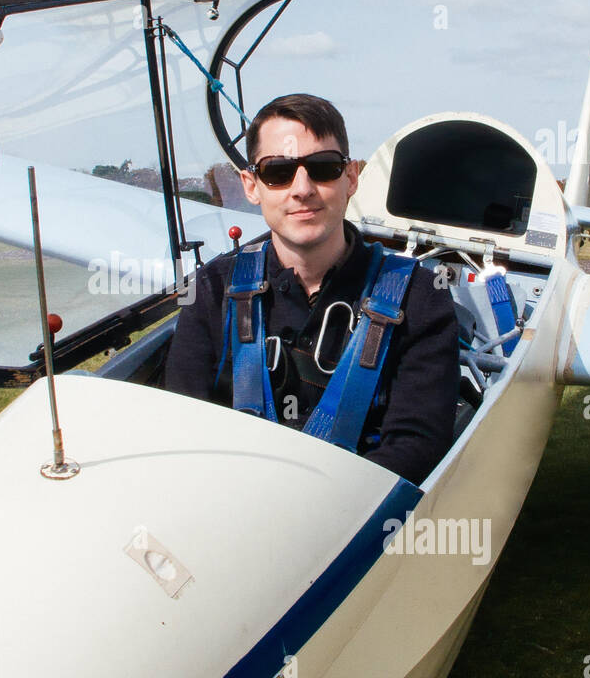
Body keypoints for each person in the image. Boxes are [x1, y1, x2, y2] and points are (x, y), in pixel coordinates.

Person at [163, 94, 459, 485]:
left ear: (351, 177)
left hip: (351, 519)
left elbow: (416, 446)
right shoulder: (211, 289)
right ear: (252, 186)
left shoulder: (419, 296)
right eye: (278, 172)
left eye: (323, 168)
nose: (302, 189)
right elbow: (185, 424)